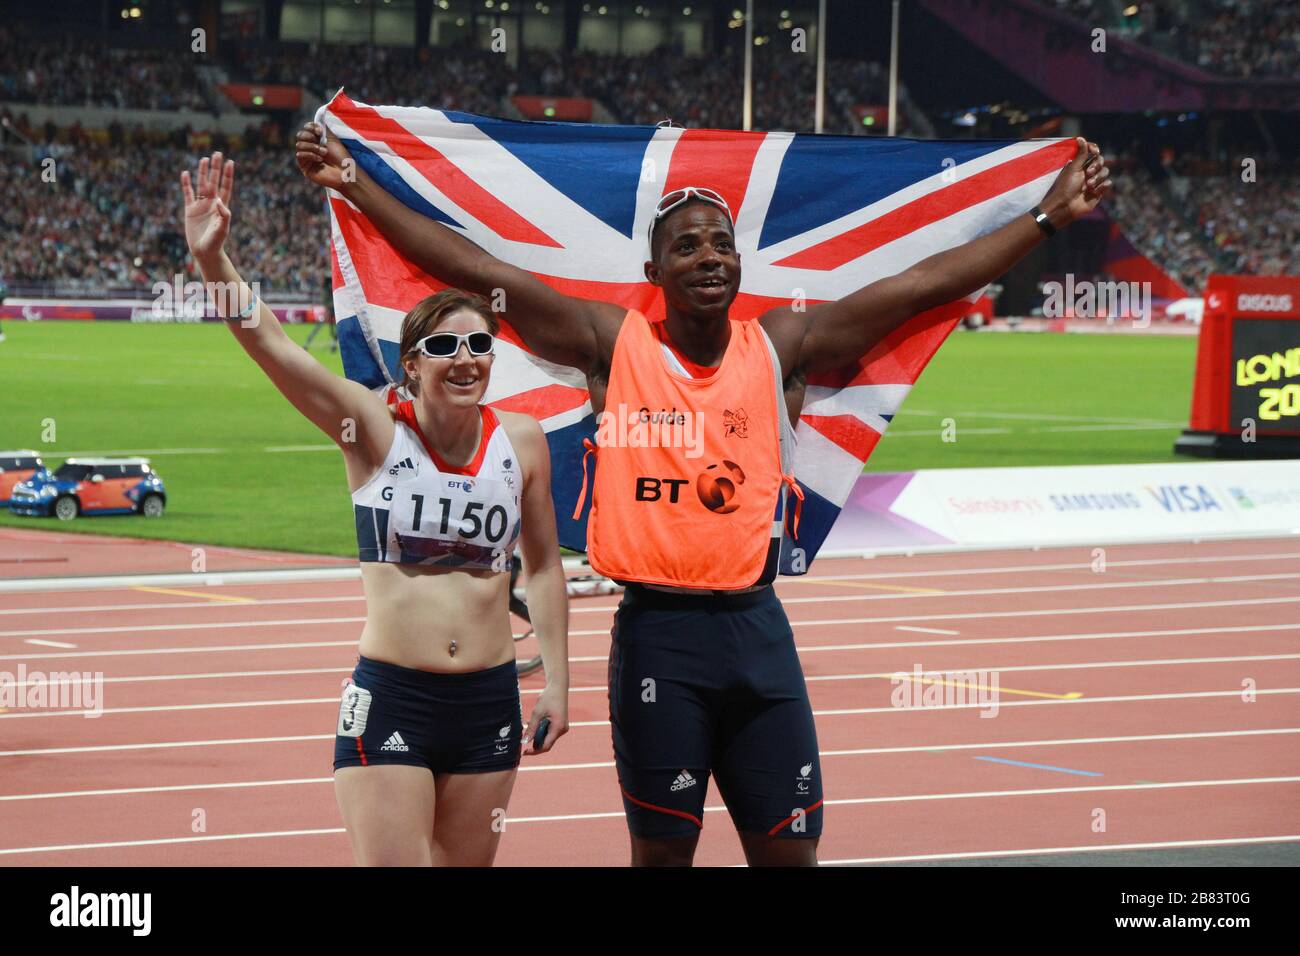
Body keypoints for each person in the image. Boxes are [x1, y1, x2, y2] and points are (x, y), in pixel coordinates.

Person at [295, 125, 1111, 866]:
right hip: (659, 640)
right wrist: (357, 186)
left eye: (721, 244)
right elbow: (480, 271)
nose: (710, 256)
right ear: (655, 272)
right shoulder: (611, 345)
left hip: (759, 635)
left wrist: (1044, 221)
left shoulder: (784, 345)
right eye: (687, 247)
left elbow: (922, 284)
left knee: (792, 856)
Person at [180, 150, 570, 866]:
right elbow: (268, 344)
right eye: (444, 345)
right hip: (395, 695)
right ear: (412, 362)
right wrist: (214, 263)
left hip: (489, 699)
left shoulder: (523, 441)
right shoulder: (373, 428)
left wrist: (559, 682)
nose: (466, 357)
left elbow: (543, 567)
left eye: (479, 344)